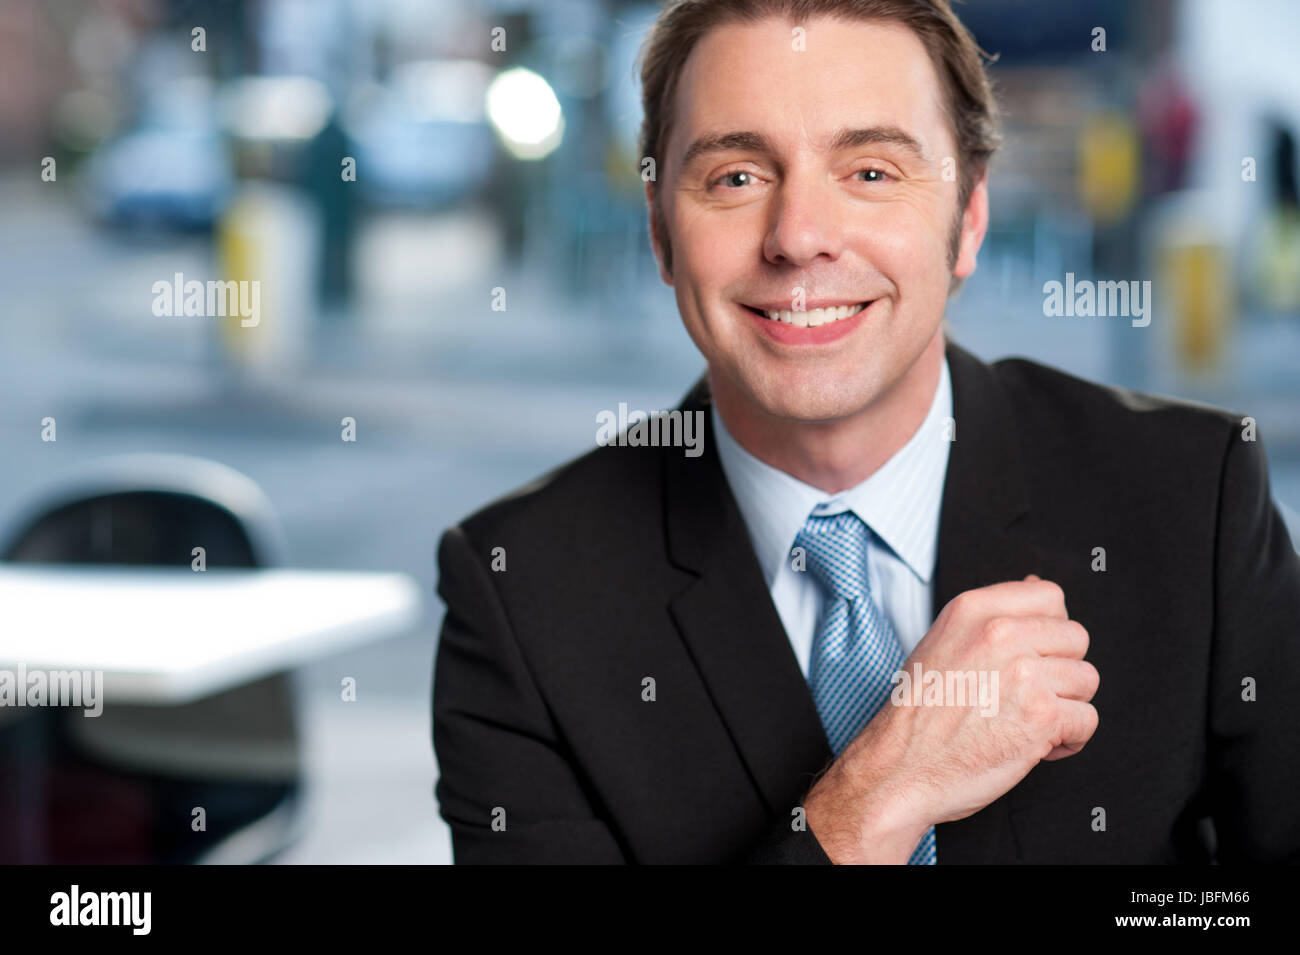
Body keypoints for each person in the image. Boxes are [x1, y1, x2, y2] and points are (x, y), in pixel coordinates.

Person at [431, 0, 1300, 864]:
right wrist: (880, 792)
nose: (800, 237)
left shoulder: (1192, 495)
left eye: (872, 172)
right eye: (737, 176)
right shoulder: (517, 592)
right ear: (661, 230)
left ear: (967, 220)